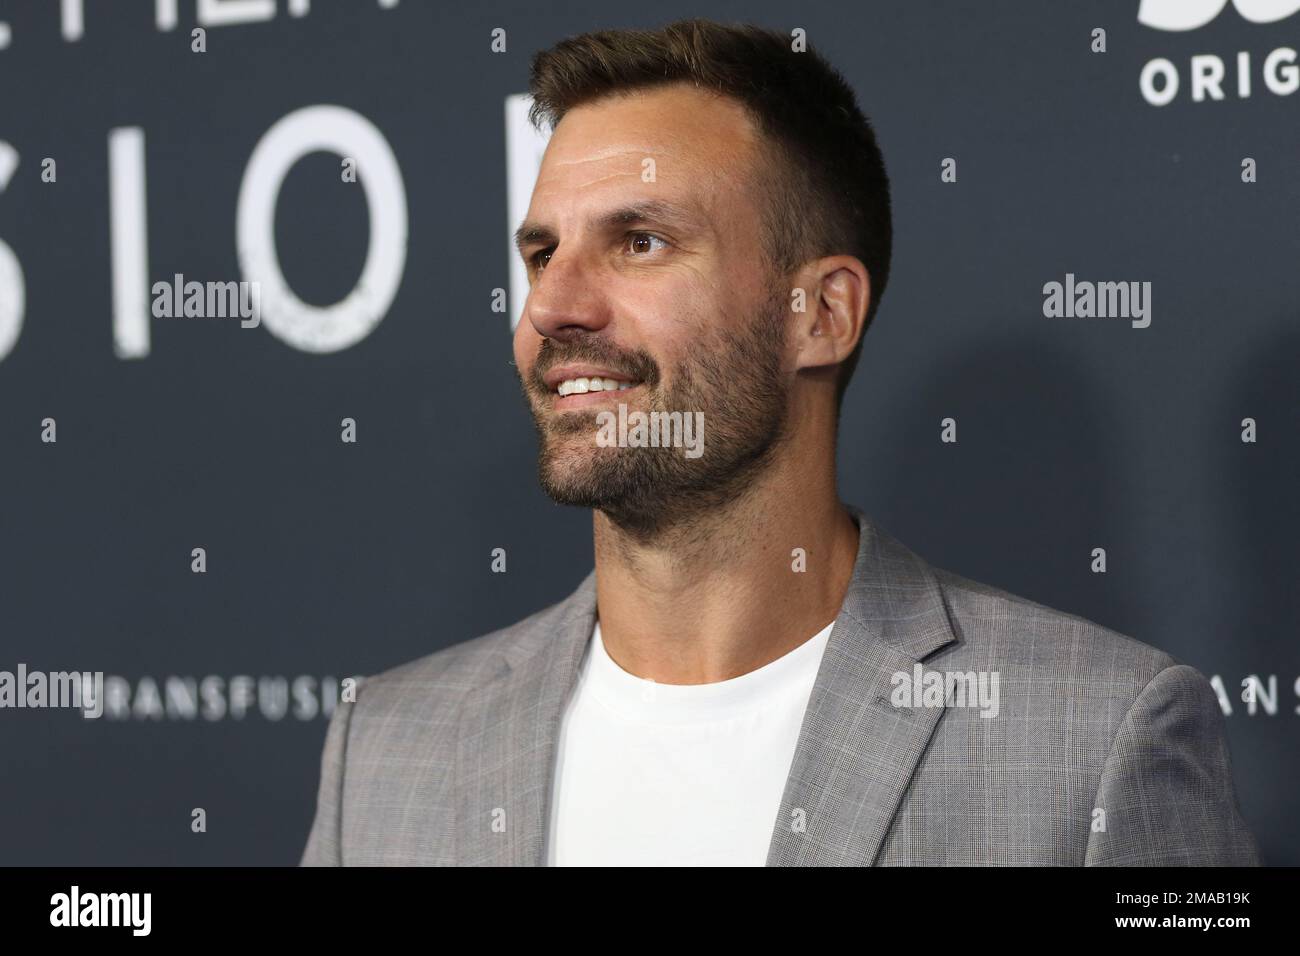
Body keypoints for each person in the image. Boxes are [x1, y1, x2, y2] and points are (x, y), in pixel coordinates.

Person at [301, 18, 1259, 866]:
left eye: (640, 242)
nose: (553, 306)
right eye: (543, 253)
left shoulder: (1092, 742)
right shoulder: (387, 748)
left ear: (823, 314)